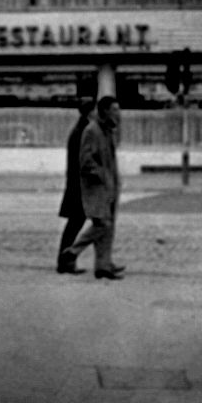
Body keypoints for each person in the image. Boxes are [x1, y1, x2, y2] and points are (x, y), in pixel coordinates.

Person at [63, 95, 125, 280]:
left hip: (110, 185)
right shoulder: (92, 130)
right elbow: (86, 160)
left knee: (108, 226)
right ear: (105, 111)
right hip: (97, 186)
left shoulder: (108, 130)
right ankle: (73, 251)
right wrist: (101, 176)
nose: (118, 113)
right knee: (102, 224)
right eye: (114, 109)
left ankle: (103, 265)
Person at [56, 98, 95, 274]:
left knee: (75, 224)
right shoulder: (83, 132)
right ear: (90, 113)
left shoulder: (80, 130)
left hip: (76, 184)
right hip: (80, 185)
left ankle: (65, 260)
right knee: (76, 224)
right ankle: (65, 260)